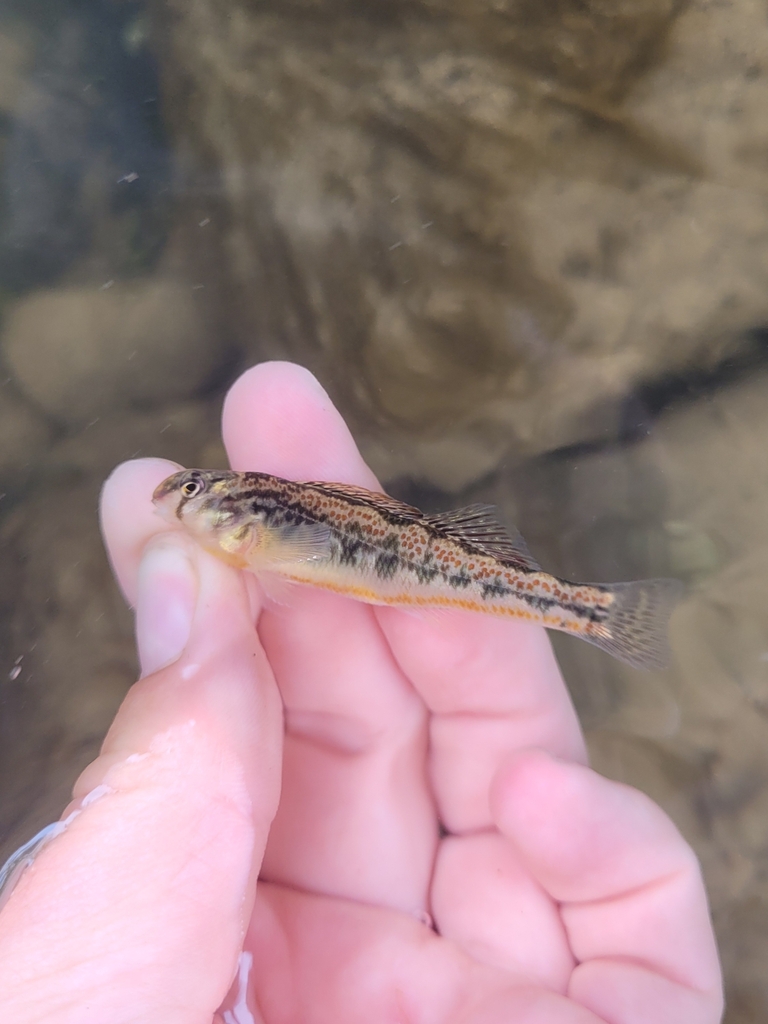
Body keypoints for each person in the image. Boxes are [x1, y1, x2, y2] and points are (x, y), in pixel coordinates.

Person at [0, 362, 723, 1023]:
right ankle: (585, 609)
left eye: (190, 492)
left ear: (234, 513)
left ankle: (588, 610)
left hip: (419, 559)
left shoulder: (256, 512)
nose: (178, 501)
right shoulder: (256, 515)